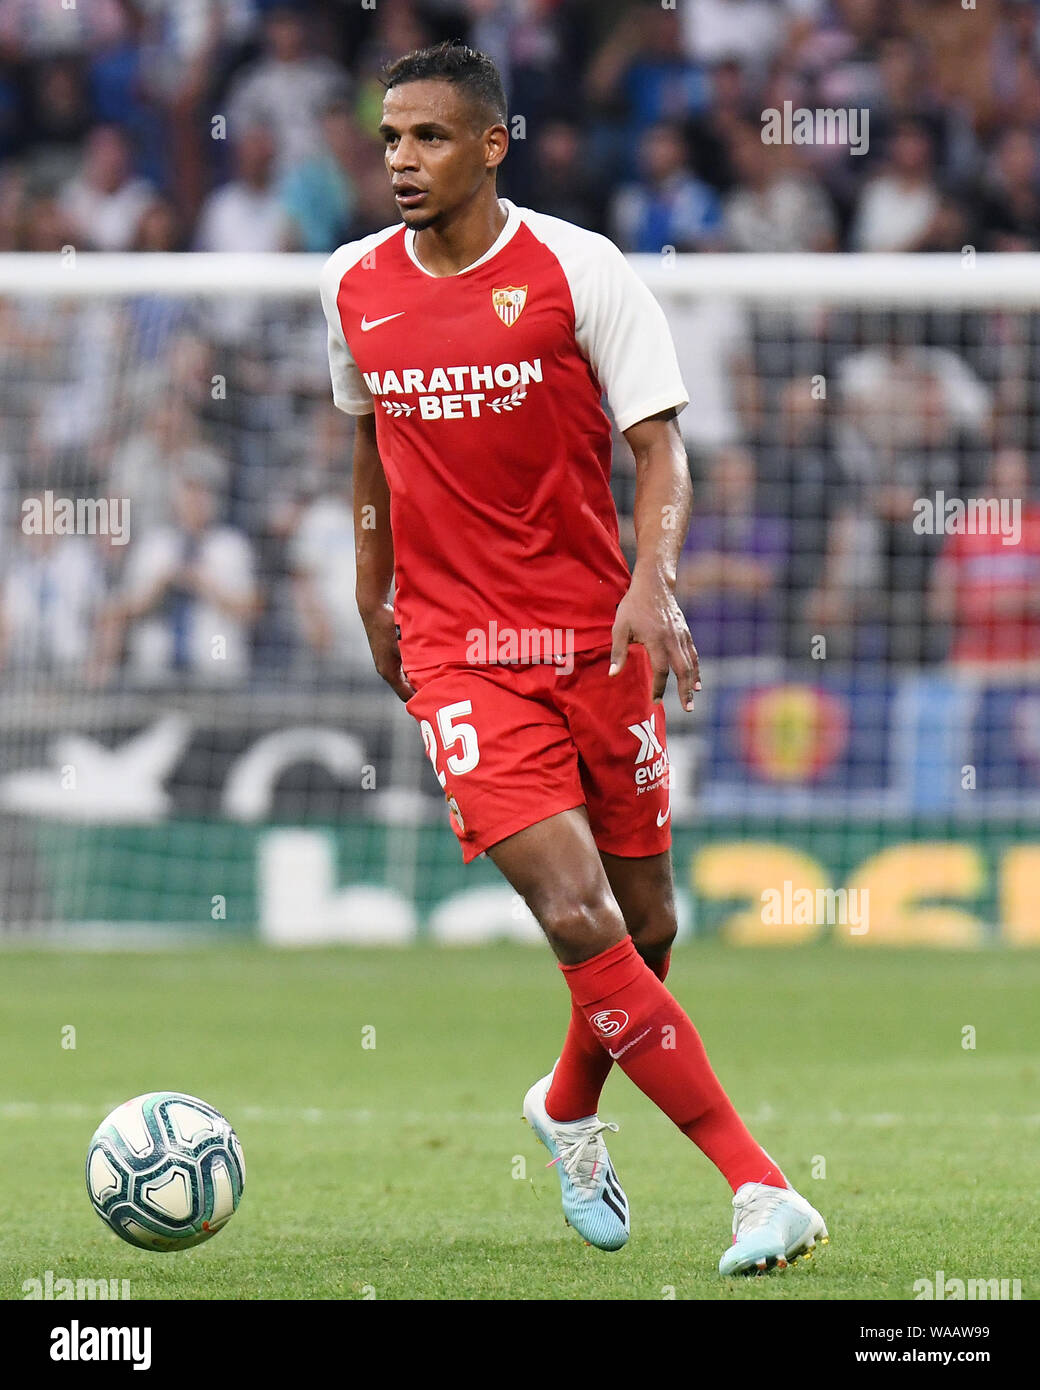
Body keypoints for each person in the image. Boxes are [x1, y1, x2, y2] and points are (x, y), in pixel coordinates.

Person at [319, 40, 828, 1276]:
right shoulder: (350, 284)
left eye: (429, 138)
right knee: (573, 908)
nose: (401, 160)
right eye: (390, 138)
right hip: (460, 654)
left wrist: (650, 584)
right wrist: (371, 595)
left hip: (592, 632)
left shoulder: (576, 269)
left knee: (647, 924)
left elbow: (660, 450)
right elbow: (372, 449)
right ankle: (758, 1185)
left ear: (494, 145)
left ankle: (562, 1104)